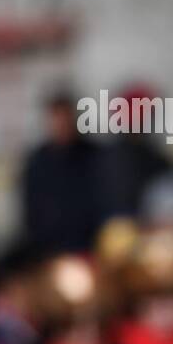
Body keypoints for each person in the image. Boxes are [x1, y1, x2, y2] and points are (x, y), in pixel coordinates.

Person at [19, 87, 105, 258]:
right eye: (57, 118)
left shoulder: (96, 156)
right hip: (49, 252)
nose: (62, 124)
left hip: (91, 249)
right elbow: (32, 216)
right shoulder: (37, 162)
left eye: (66, 117)